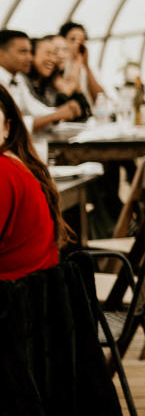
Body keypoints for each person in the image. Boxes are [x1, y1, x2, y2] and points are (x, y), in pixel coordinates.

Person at [0, 83, 64, 280]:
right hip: (37, 295)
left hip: (17, 302)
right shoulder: (15, 163)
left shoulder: (4, 172)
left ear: (7, 129)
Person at [0, 30, 82, 132]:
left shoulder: (18, 78)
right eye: (23, 52)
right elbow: (7, 126)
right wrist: (56, 115)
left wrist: (63, 111)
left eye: (30, 52)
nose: (30, 58)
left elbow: (35, 108)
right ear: (1, 53)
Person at [59, 22, 103, 103]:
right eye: (73, 39)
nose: (78, 44)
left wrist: (86, 66)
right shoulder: (59, 66)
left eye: (82, 40)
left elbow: (100, 98)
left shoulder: (89, 67)